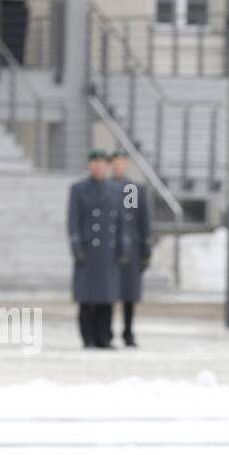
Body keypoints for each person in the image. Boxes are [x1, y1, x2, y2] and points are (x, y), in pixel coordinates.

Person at [67, 149, 126, 349]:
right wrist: (76, 245)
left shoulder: (129, 189)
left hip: (110, 250)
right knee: (88, 297)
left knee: (109, 297)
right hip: (89, 249)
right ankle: (89, 337)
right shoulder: (79, 188)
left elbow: (128, 219)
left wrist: (128, 244)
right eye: (94, 163)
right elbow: (73, 220)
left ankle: (111, 336)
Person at [109, 150, 151, 347]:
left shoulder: (130, 190)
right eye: (114, 164)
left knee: (129, 293)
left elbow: (132, 217)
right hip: (111, 246)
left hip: (130, 247)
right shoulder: (107, 187)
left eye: (121, 163)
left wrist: (144, 247)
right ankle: (106, 331)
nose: (118, 167)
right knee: (107, 292)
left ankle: (128, 331)